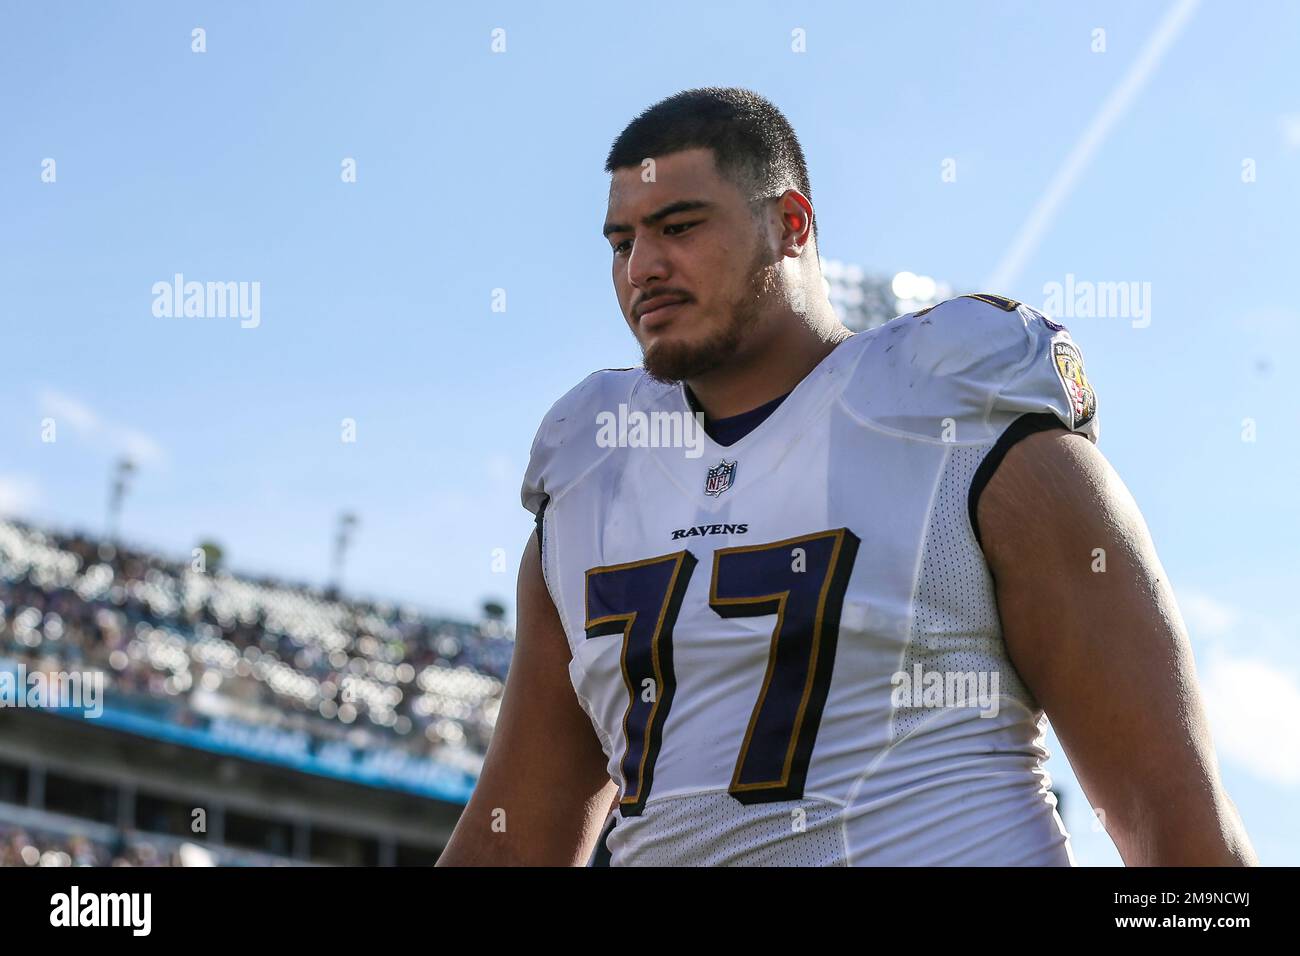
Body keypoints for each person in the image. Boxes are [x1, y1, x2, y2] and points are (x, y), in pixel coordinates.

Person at [438, 87, 1255, 866]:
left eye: (678, 226)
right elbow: (515, 841)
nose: (642, 266)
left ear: (791, 224)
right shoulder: (592, 476)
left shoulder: (960, 418)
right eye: (622, 242)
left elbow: (1176, 830)